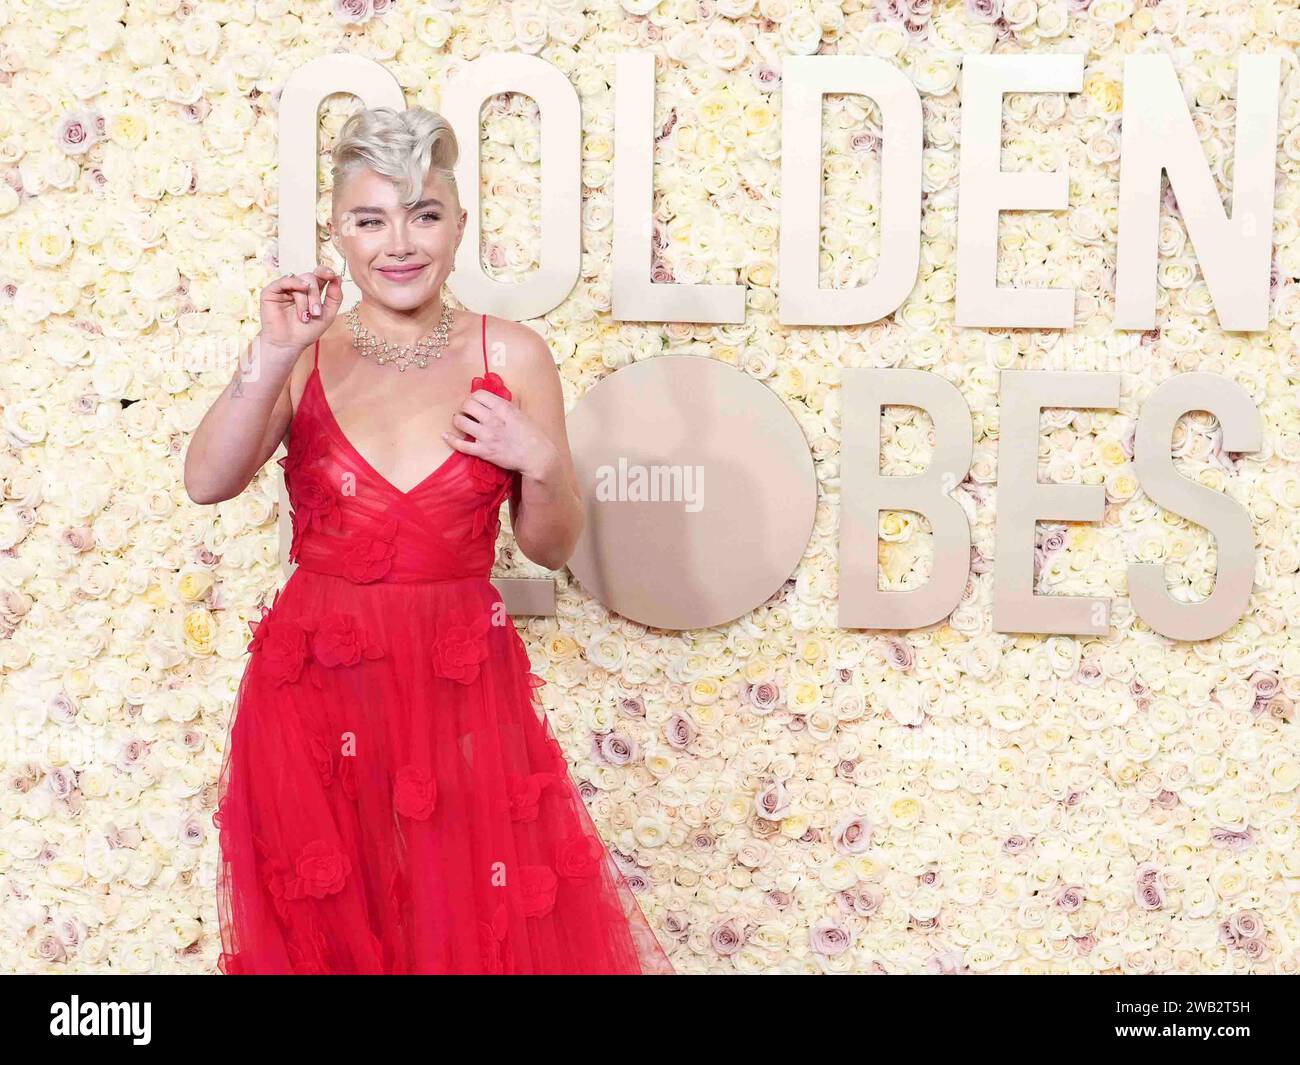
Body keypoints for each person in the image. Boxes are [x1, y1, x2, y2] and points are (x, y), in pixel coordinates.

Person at [185, 105, 675, 974]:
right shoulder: (304, 351)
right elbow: (207, 481)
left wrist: (542, 464)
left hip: (460, 698)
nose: (399, 243)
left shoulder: (513, 353)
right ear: (339, 233)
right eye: (371, 220)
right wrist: (268, 353)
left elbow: (551, 546)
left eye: (424, 215)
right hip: (311, 696)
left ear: (457, 228)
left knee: (468, 927)